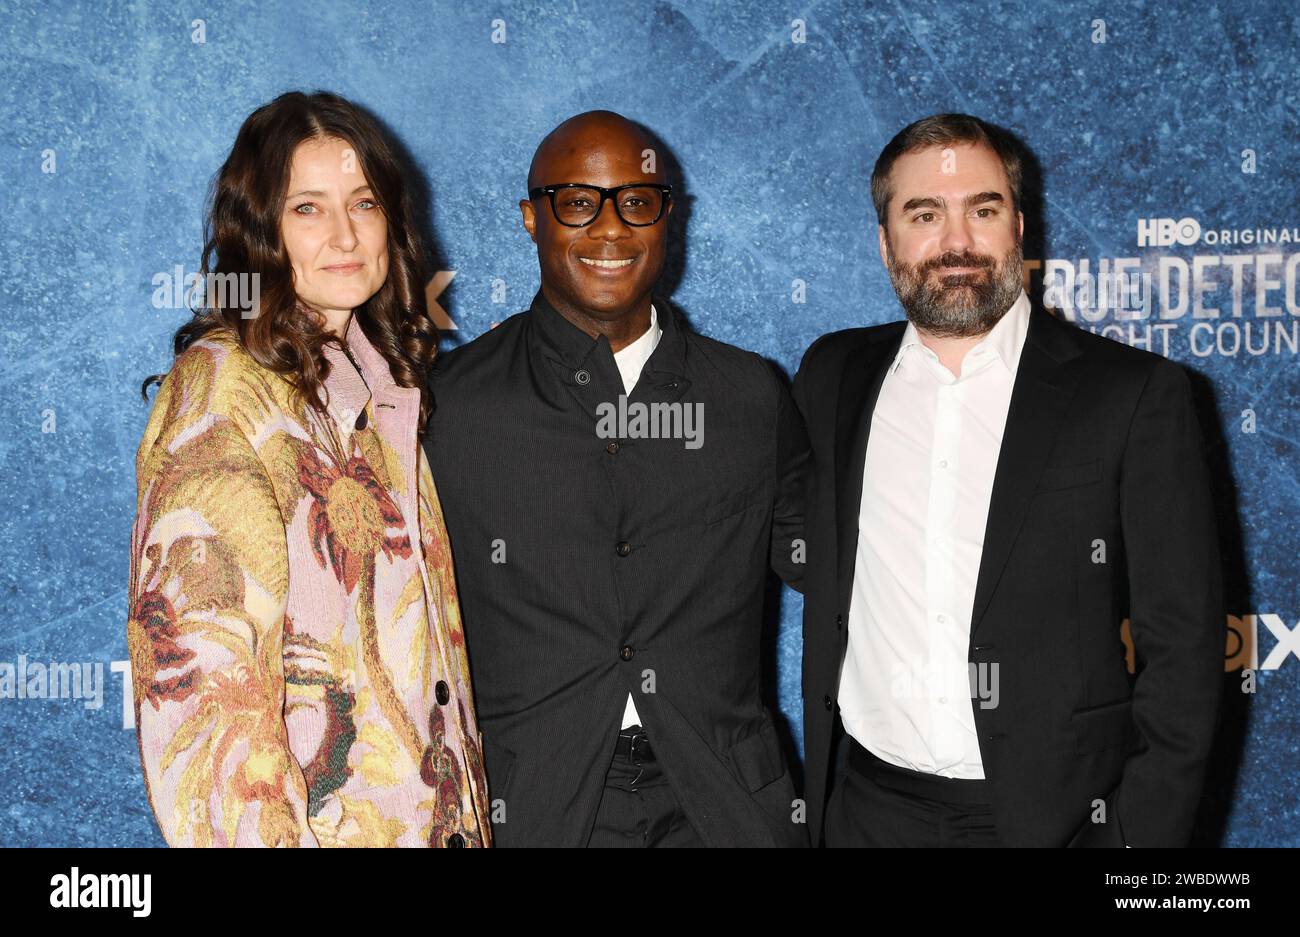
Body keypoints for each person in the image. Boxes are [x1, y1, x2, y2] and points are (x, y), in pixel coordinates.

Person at [794, 113, 1222, 847]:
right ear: (885, 240)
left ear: (1019, 226)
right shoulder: (833, 374)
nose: (956, 242)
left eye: (982, 210)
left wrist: (1132, 839)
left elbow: (1184, 645)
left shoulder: (1132, 393)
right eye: (924, 214)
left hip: (1056, 822)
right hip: (866, 812)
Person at [425, 110, 808, 847]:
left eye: (637, 201)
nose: (610, 230)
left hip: (723, 804)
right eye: (577, 202)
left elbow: (834, 564)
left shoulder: (749, 397)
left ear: (669, 217)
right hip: (534, 807)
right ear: (532, 219)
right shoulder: (450, 406)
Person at [128, 91, 490, 847]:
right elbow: (198, 704)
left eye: (363, 203)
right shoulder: (223, 391)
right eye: (307, 208)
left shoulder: (386, 389)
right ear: (258, 228)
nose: (344, 234)